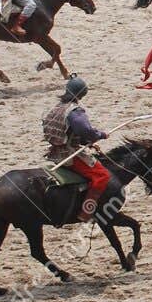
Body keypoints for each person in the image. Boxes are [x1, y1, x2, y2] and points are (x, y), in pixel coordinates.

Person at [43, 76, 111, 219]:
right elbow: (86, 131)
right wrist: (101, 135)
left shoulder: (57, 107)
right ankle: (87, 212)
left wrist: (89, 141)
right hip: (69, 155)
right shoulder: (75, 111)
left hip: (55, 152)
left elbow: (69, 132)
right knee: (102, 176)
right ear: (82, 94)